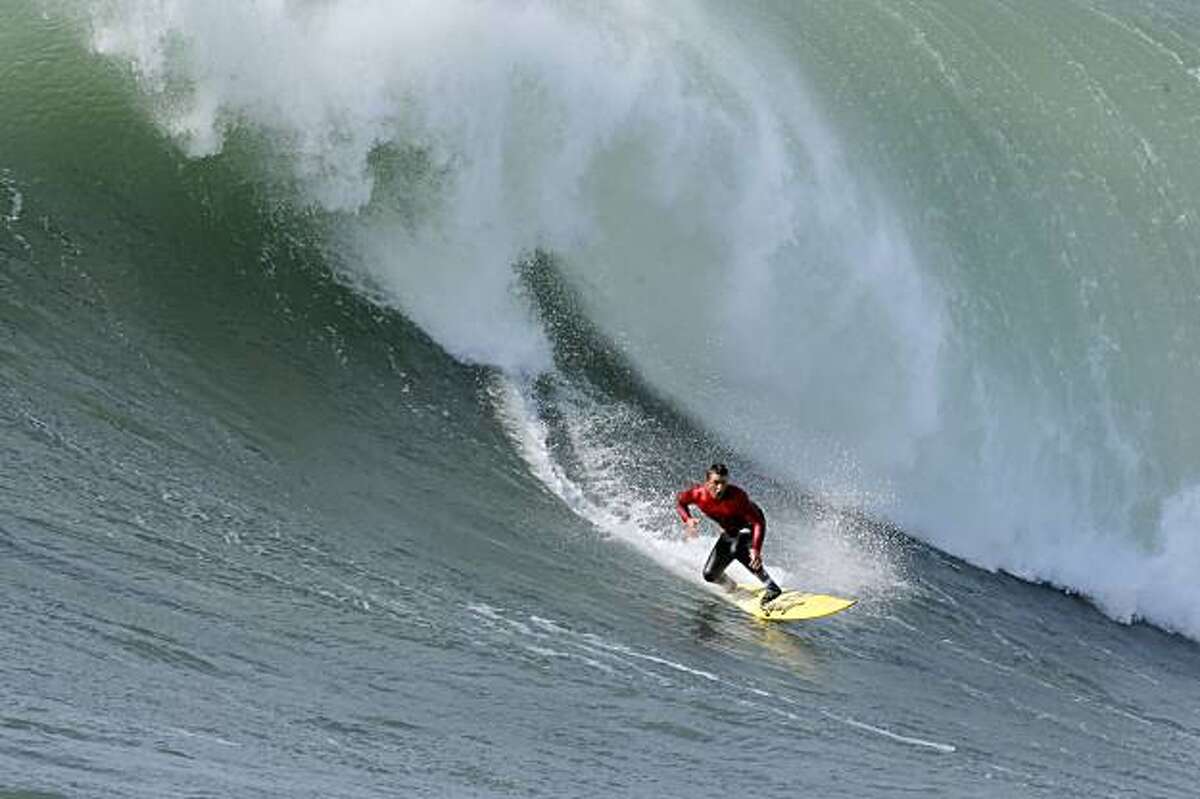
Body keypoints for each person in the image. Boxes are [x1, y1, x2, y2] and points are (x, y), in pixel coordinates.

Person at [676, 463, 783, 605]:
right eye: (716, 483)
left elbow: (758, 522)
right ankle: (731, 586)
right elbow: (680, 503)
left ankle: (772, 587)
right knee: (710, 575)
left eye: (724, 483)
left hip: (750, 525)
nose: (720, 487)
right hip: (731, 530)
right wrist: (688, 519)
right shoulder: (697, 494)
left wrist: (756, 549)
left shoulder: (738, 496)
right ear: (707, 482)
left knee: (736, 548)